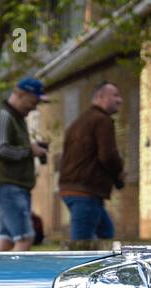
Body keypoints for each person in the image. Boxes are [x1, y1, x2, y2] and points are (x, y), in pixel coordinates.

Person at [0, 76, 49, 252]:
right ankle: (16, 279)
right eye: (34, 101)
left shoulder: (16, 118)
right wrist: (30, 151)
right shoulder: (3, 116)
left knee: (7, 240)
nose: (35, 106)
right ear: (21, 94)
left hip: (12, 188)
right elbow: (1, 150)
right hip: (8, 188)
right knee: (25, 238)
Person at [58, 80, 125, 242]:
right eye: (115, 95)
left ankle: (105, 266)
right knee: (81, 245)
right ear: (100, 97)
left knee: (106, 233)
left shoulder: (78, 123)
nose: (120, 100)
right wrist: (119, 175)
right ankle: (77, 267)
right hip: (85, 192)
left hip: (72, 189)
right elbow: (107, 156)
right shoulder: (102, 120)